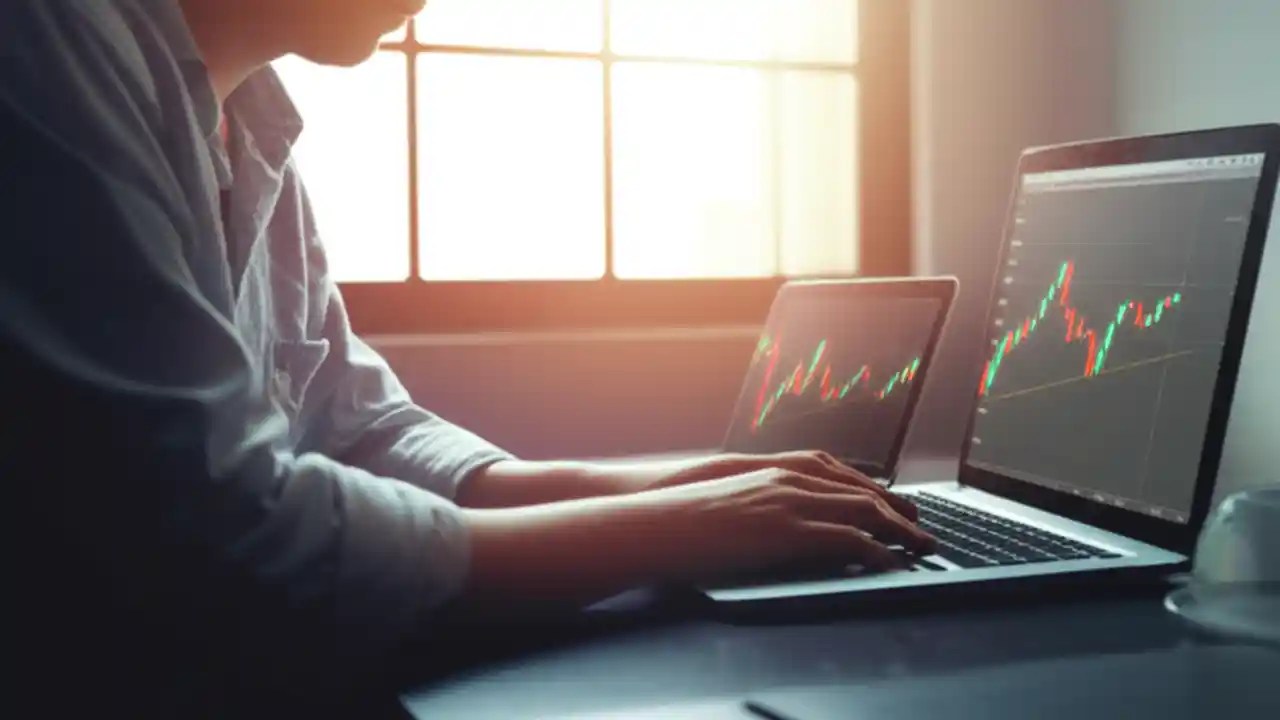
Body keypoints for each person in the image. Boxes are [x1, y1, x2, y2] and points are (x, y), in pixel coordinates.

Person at [0, 0, 934, 715]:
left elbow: (359, 427)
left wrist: (674, 487)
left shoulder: (244, 126)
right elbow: (233, 536)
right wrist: (685, 528)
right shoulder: (46, 51)